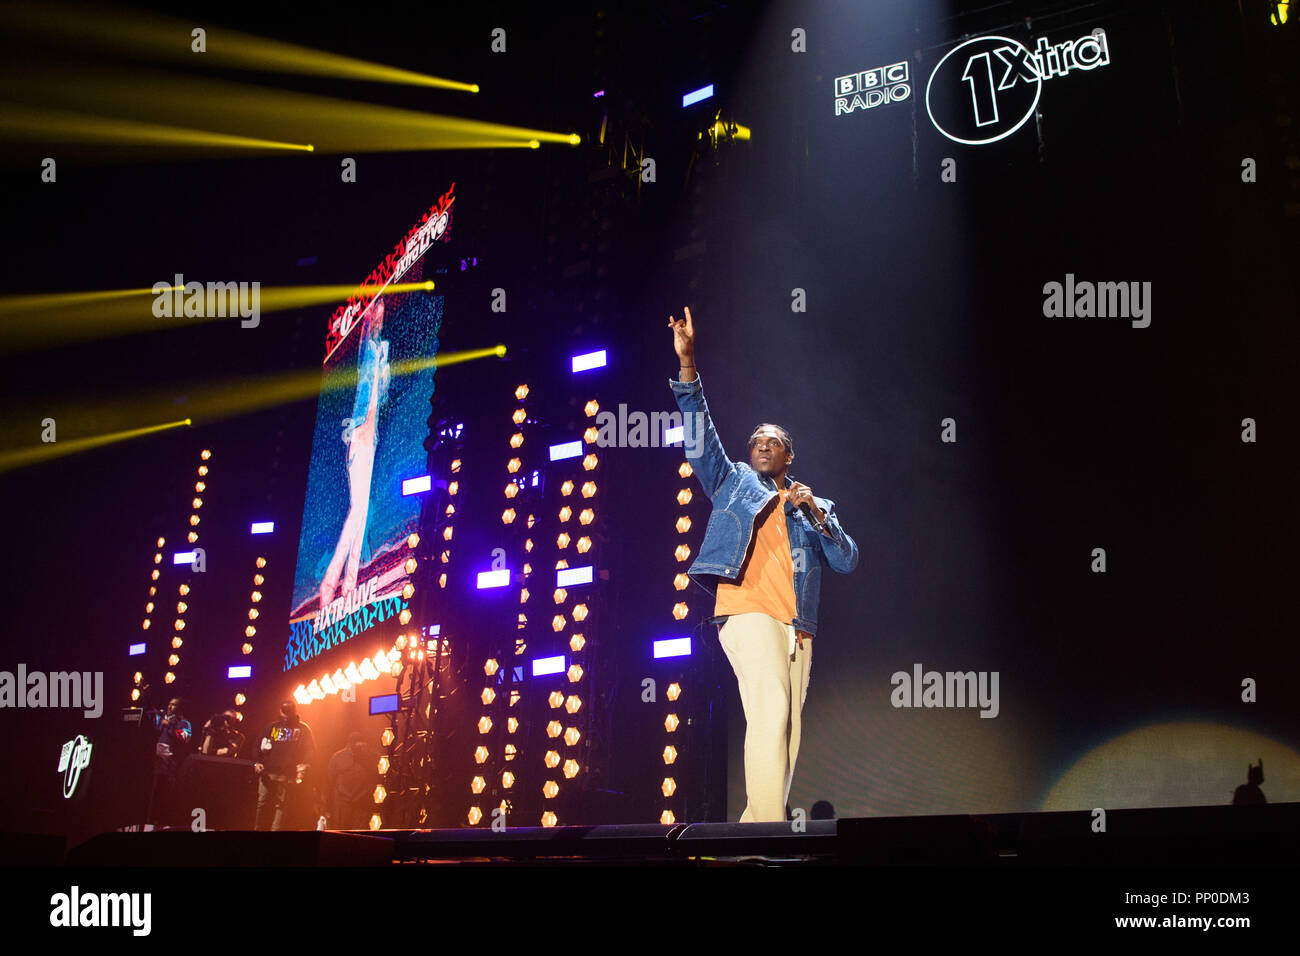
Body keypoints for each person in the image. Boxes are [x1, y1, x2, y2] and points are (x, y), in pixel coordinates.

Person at [667, 306, 858, 823]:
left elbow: (846, 560)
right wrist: (688, 367)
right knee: (771, 708)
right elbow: (700, 438)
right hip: (747, 610)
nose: (763, 445)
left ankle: (755, 830)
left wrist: (817, 514)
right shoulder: (732, 482)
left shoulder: (814, 509)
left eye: (774, 441)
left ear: (789, 456)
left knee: (786, 733)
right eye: (757, 440)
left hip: (797, 628)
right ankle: (768, 833)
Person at [320, 297, 391, 611]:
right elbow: (367, 360)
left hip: (371, 435)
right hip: (361, 433)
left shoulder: (381, 351)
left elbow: (383, 394)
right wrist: (368, 325)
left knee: (360, 510)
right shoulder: (368, 350)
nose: (379, 315)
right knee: (358, 508)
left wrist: (384, 371)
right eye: (376, 311)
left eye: (381, 312)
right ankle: (334, 579)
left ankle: (345, 579)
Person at [253, 699, 316, 830]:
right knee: (262, 802)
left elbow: (310, 749)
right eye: (285, 712)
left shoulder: (302, 729)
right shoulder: (272, 727)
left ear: (295, 712)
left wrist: (305, 764)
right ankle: (258, 829)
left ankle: (275, 831)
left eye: (289, 713)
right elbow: (257, 744)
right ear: (280, 711)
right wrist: (257, 761)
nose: (287, 716)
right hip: (268, 771)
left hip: (286, 773)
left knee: (281, 805)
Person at [148, 697, 193, 827]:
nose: (170, 707)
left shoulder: (184, 723)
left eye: (174, 705)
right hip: (155, 759)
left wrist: (171, 726)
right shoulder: (163, 718)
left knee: (165, 792)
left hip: (169, 763)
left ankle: (161, 821)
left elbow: (185, 738)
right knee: (153, 790)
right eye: (169, 704)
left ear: (180, 708)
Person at [327, 732, 375, 830]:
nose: (358, 746)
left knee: (358, 832)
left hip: (361, 803)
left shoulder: (371, 757)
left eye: (361, 743)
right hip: (342, 802)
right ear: (349, 744)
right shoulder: (338, 757)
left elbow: (376, 774)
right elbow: (330, 780)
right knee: (340, 830)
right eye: (356, 743)